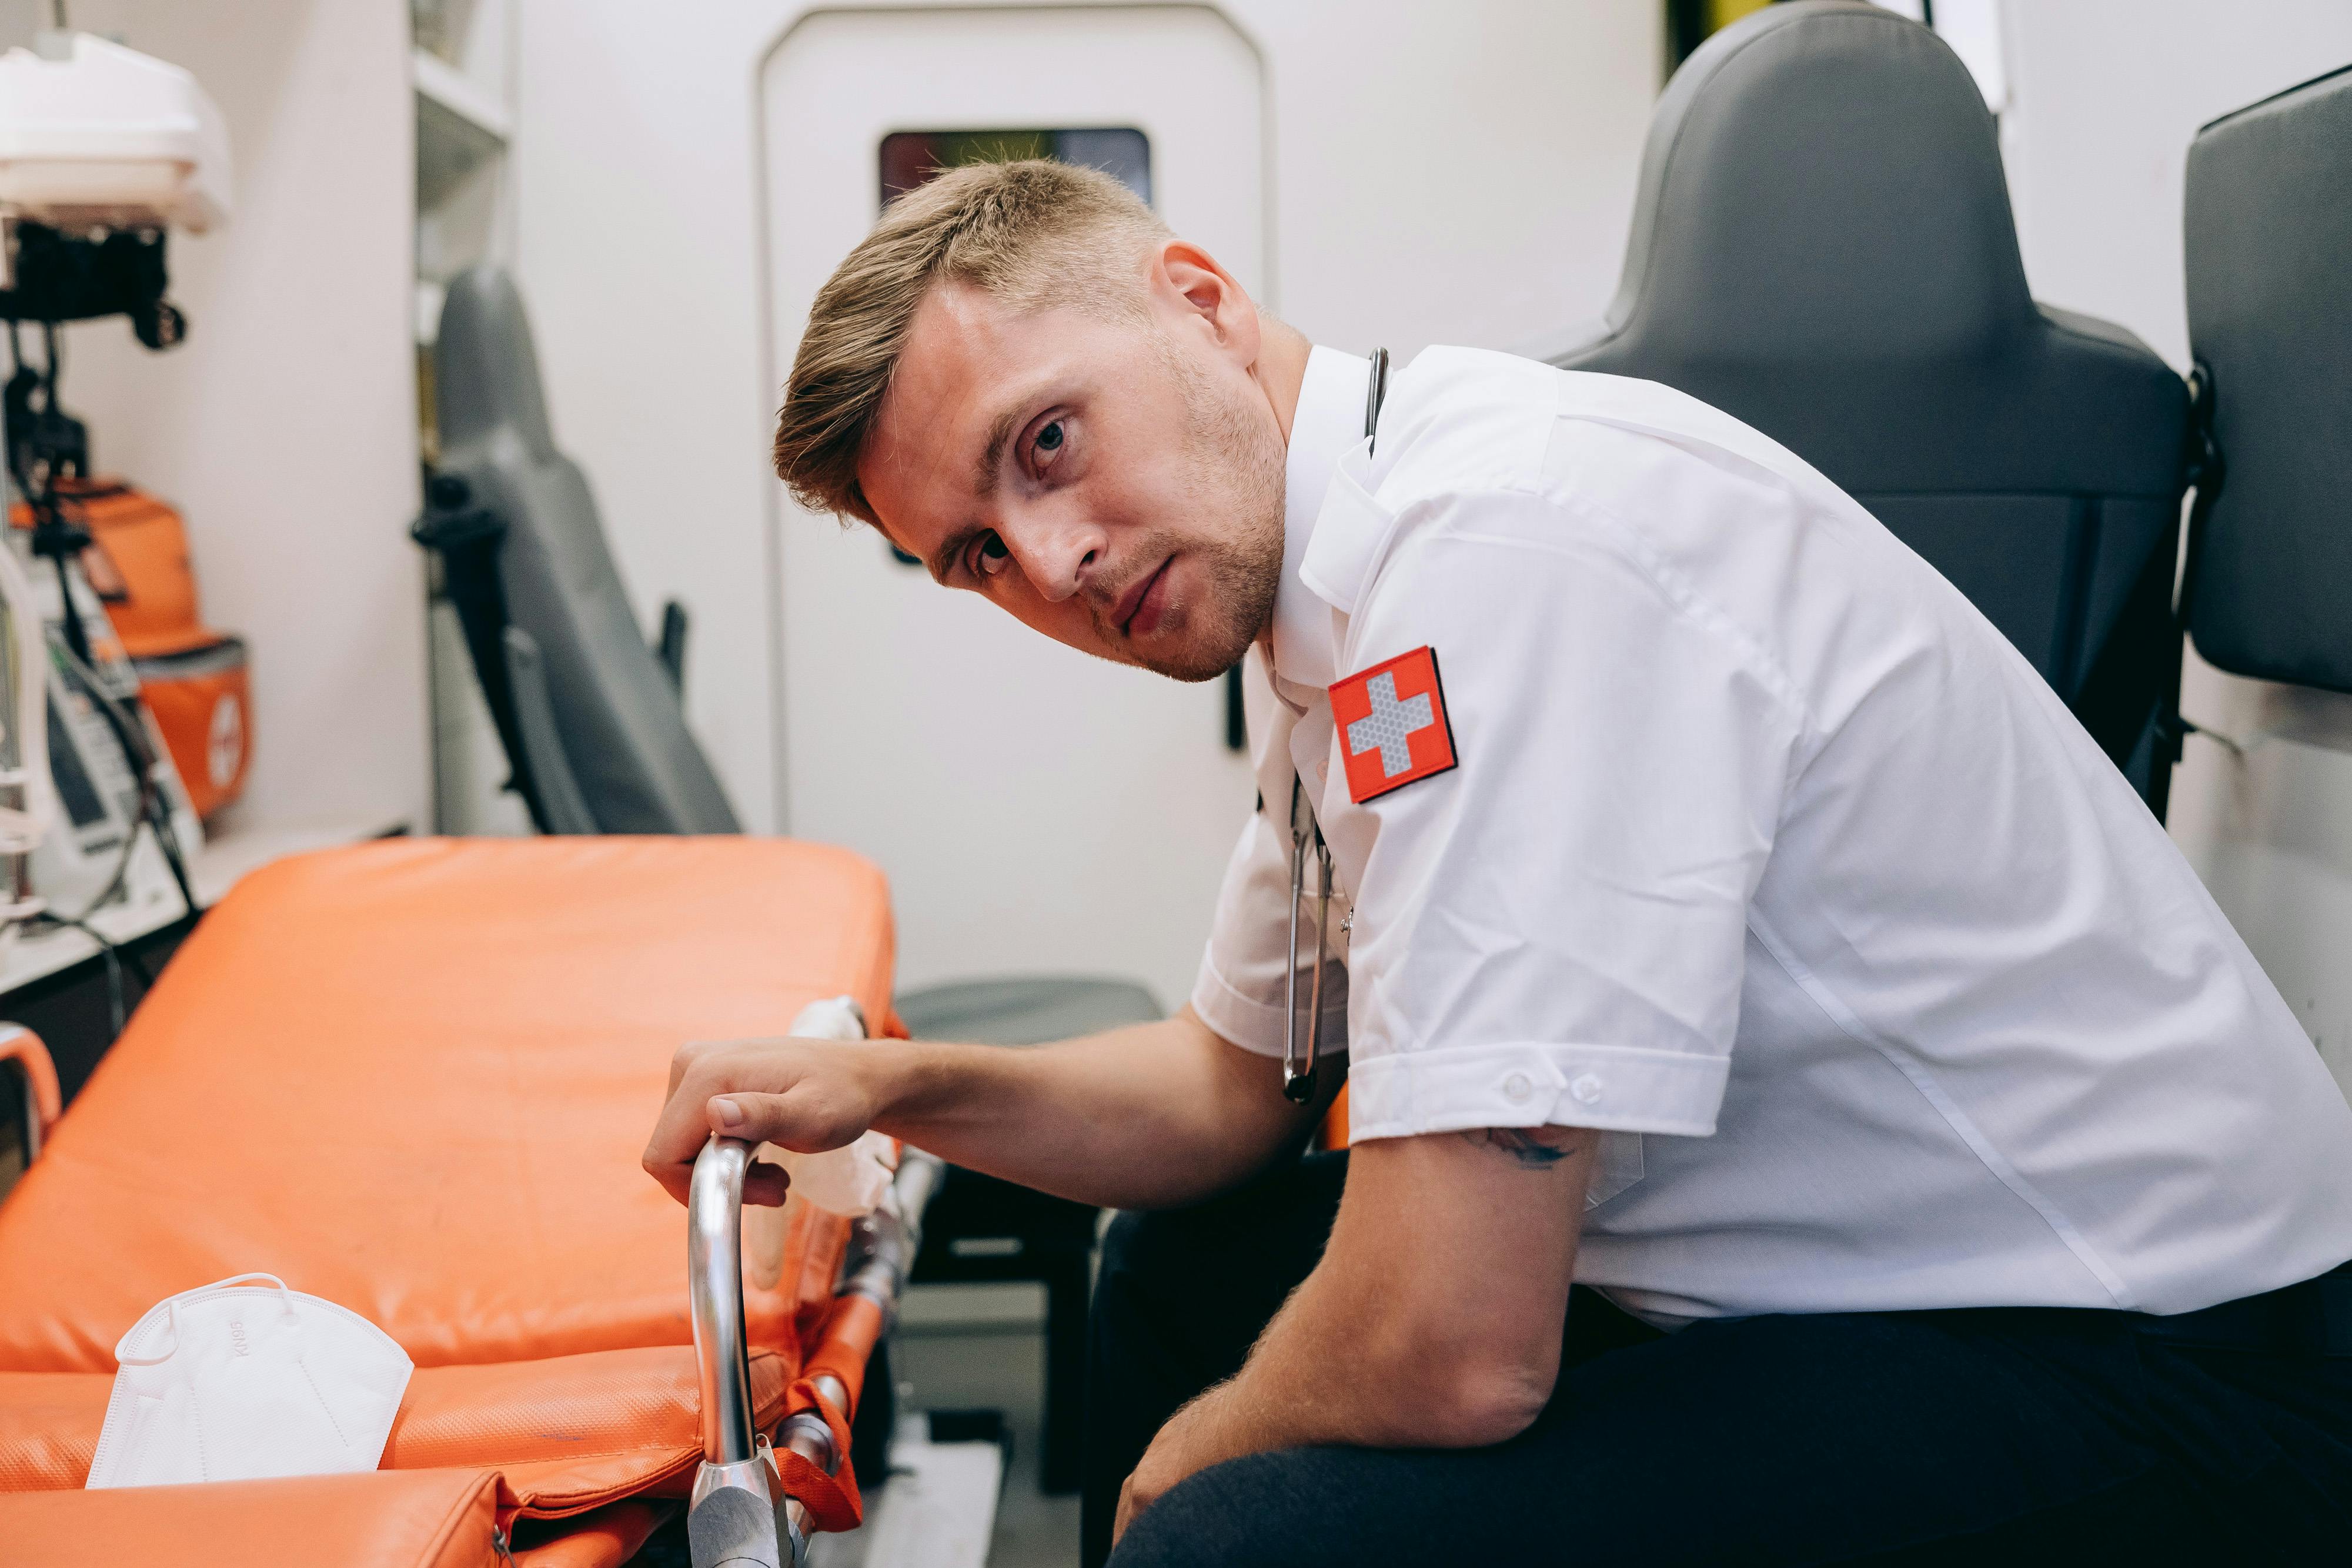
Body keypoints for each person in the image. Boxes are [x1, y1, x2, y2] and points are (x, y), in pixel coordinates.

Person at [642, 160, 2352, 1564]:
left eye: (1047, 443)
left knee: (1233, 1541)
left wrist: (1180, 1475)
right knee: (1185, 1262)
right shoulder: (1345, 593)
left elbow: (1457, 1347)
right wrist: (883, 1085)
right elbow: (1224, 1088)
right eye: (975, 556)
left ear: (1200, 301)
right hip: (1885, 1290)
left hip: (2168, 1361)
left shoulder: (1502, 557)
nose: (1055, 559)